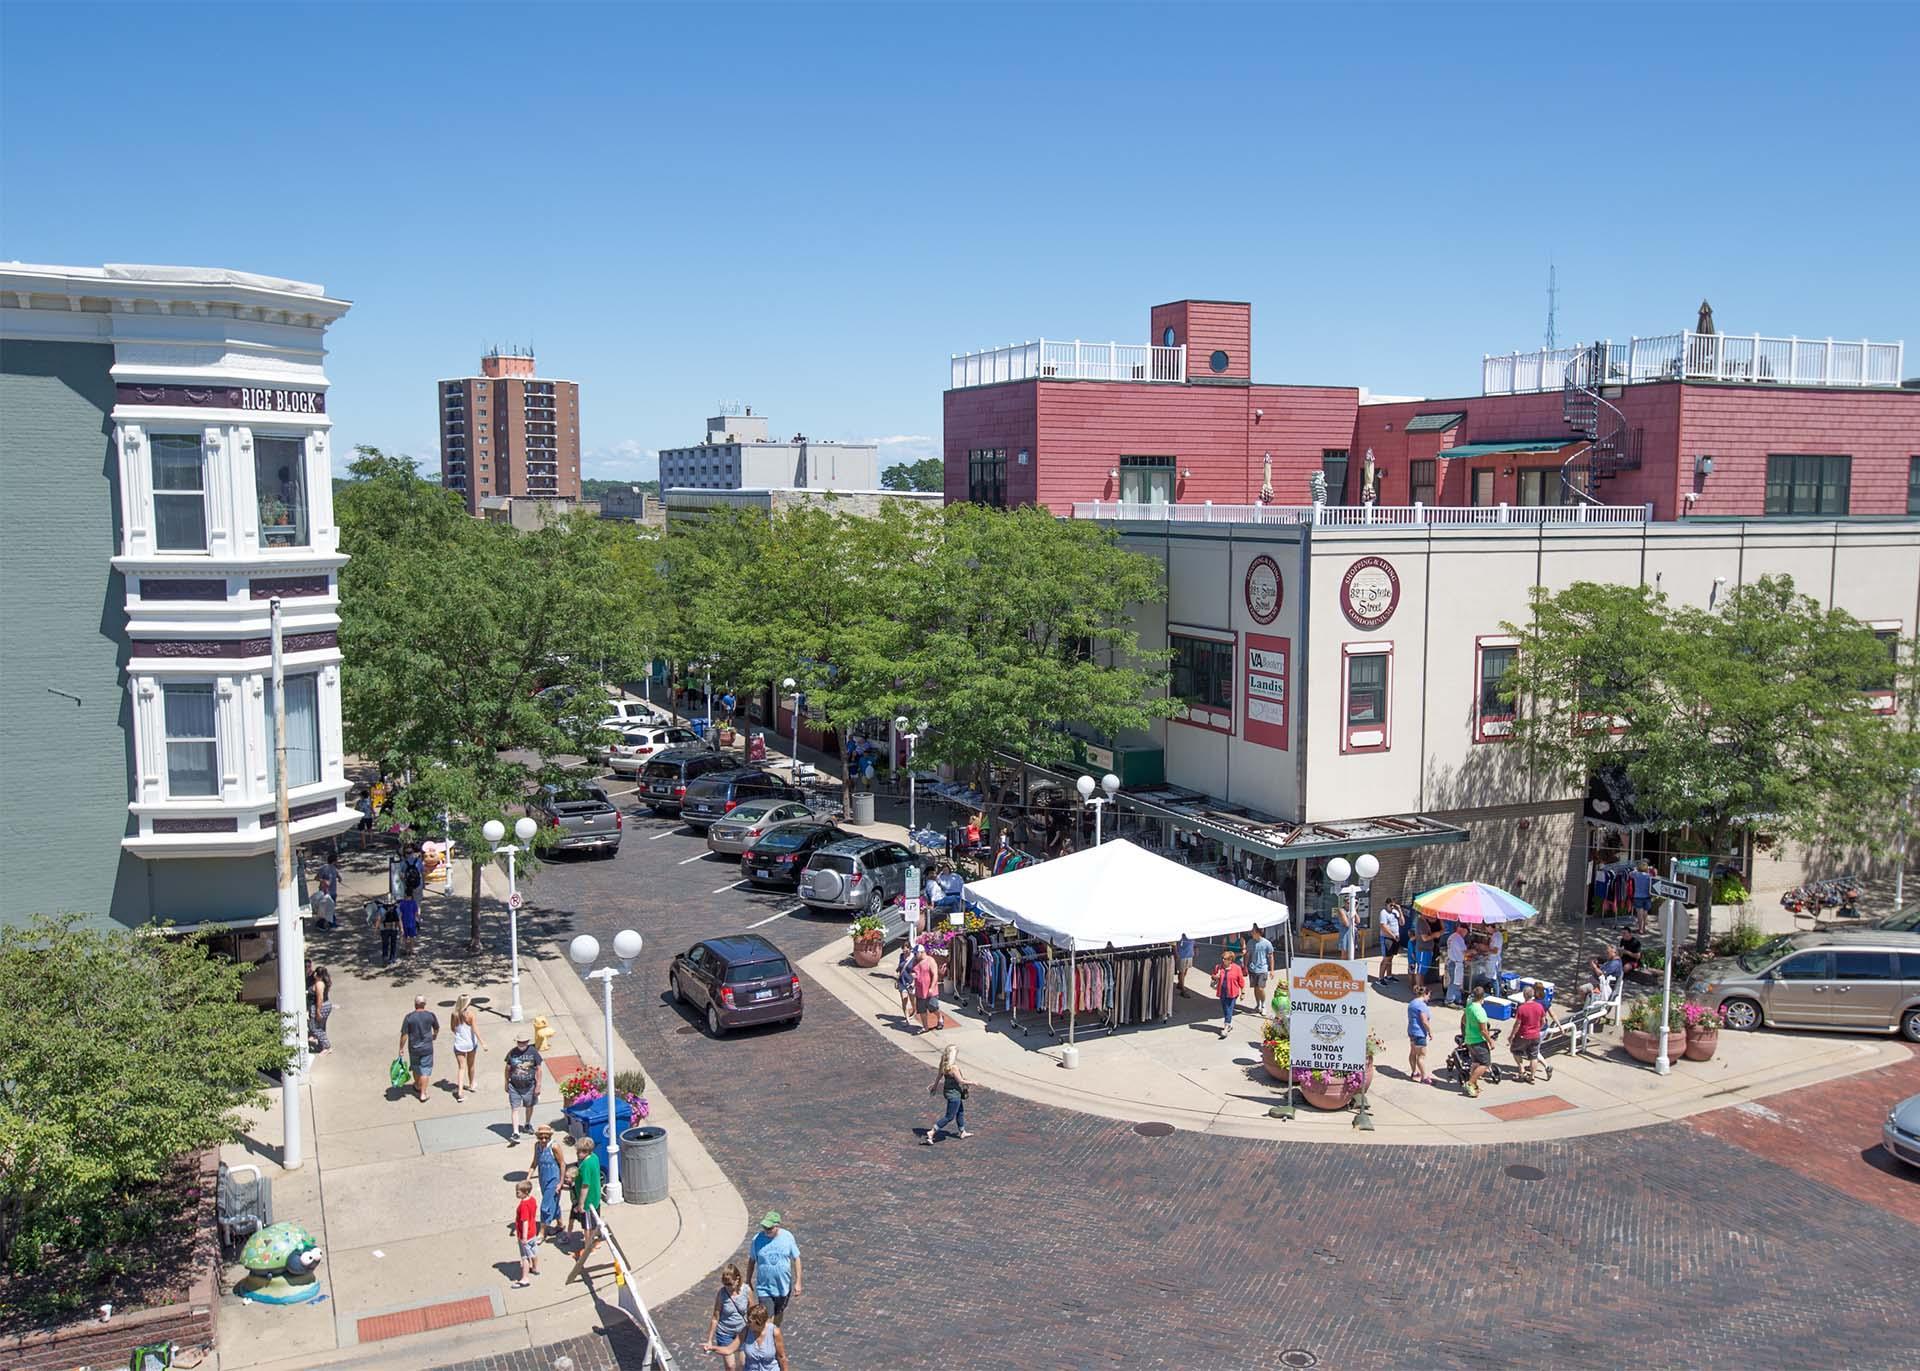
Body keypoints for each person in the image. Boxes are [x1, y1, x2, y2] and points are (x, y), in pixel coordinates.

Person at [746, 1213, 802, 1326]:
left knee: (778, 1315)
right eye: (765, 1227)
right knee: (767, 1319)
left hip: (783, 1287)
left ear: (778, 1226)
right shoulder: (757, 1239)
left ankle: (775, 1333)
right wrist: (748, 1280)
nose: (766, 1230)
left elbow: (796, 1259)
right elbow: (752, 1260)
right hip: (764, 1287)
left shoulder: (787, 1237)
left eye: (770, 1228)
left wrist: (798, 1282)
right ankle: (768, 1340)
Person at [709, 1302, 789, 1371]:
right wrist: (712, 1348)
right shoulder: (746, 1330)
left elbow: (782, 1357)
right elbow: (729, 1350)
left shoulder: (774, 1332)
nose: (748, 1324)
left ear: (760, 1323)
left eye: (751, 1323)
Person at [701, 1264, 752, 1369]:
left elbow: (752, 1312)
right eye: (725, 1284)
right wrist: (709, 1340)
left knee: (743, 1364)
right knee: (730, 1366)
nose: (727, 1287)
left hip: (742, 1332)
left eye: (729, 1284)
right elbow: (715, 1317)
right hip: (725, 1333)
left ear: (737, 1279)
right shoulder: (722, 1293)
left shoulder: (746, 1290)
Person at [922, 1044, 973, 1144]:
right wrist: (972, 1082)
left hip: (949, 1092)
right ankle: (932, 1132)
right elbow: (961, 1081)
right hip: (954, 1094)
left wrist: (935, 1087)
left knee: (960, 1111)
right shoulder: (953, 1068)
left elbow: (938, 1077)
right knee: (949, 1117)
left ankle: (962, 1131)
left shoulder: (944, 1065)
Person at [1509, 983, 1556, 1084]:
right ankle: (1532, 1077)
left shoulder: (1522, 1008)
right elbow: (1543, 1021)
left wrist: (1512, 1035)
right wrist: (1537, 1029)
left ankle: (1521, 1070)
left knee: (1515, 1051)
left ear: (1524, 995)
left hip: (1523, 1034)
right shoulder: (1539, 1007)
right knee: (1534, 1056)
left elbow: (1517, 1024)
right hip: (1535, 1035)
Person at [504, 1031, 543, 1140]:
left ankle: (527, 1123)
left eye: (524, 1042)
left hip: (530, 1086)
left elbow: (539, 1069)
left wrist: (538, 1085)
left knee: (529, 1106)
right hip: (514, 1086)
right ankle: (516, 1133)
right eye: (519, 1042)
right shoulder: (512, 1052)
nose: (521, 1044)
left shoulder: (533, 1052)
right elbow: (507, 1069)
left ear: (527, 1042)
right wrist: (506, 1083)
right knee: (514, 1108)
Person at [399, 995, 438, 1102]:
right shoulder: (430, 1016)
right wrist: (435, 1035)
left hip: (414, 1048)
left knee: (416, 1067)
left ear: (415, 1004)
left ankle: (417, 1085)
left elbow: (404, 1034)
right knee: (425, 1070)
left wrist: (401, 1048)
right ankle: (423, 1094)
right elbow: (436, 1028)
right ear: (424, 1004)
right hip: (427, 1048)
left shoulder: (409, 1017)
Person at [571, 1136, 604, 1263]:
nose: (579, 1154)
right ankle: (596, 1242)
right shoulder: (595, 1158)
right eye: (578, 1151)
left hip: (588, 1200)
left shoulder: (585, 1165)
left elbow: (585, 1185)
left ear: (588, 1151)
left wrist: (581, 1203)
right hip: (595, 1197)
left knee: (587, 1226)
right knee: (595, 1222)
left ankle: (588, 1248)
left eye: (582, 1152)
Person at [449, 993, 484, 1102]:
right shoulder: (470, 1015)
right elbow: (475, 1029)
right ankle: (472, 1084)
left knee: (461, 1068)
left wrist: (459, 1034)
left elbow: (452, 1028)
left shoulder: (454, 1015)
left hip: (459, 1044)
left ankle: (460, 1092)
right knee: (471, 1065)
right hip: (471, 1043)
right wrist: (482, 1042)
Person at [1461, 983, 1492, 1098]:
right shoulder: (1480, 1011)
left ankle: (1474, 1084)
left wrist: (1470, 1028)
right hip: (1478, 1040)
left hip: (1469, 1039)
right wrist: (1490, 1041)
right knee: (1485, 1064)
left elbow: (1463, 1020)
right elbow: (1484, 1030)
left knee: (1475, 1063)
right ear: (1482, 997)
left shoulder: (1469, 1007)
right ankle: (1470, 1083)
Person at [534, 1125, 564, 1239]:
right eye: (541, 1138)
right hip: (543, 1178)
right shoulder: (537, 1146)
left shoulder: (554, 1147)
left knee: (545, 1206)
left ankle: (542, 1232)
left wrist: (560, 1182)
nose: (543, 1140)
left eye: (546, 1137)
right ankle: (560, 1224)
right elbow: (534, 1162)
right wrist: (527, 1177)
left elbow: (562, 1164)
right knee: (554, 1202)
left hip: (553, 1179)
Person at [1210, 950, 1246, 1038]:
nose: (1223, 960)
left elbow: (1241, 981)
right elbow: (1213, 976)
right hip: (1222, 992)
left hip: (1233, 993)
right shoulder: (1218, 967)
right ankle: (1228, 1024)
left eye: (1225, 959)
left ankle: (1226, 1027)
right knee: (1225, 1009)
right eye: (1222, 958)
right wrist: (1215, 976)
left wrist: (1243, 992)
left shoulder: (1237, 968)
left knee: (1229, 1009)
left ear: (1230, 960)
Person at [511, 1179, 540, 1287]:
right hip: (533, 1232)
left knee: (525, 1257)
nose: (516, 1194)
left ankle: (525, 1278)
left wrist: (523, 1237)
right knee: (534, 1251)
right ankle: (535, 1268)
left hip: (525, 1235)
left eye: (518, 1192)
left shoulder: (523, 1206)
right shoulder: (532, 1200)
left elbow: (524, 1221)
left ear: (525, 1192)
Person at [1406, 985, 1434, 1084]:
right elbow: (1424, 1021)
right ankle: (1424, 1077)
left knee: (1413, 1052)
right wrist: (1430, 1031)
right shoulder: (1422, 1006)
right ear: (1425, 994)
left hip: (1411, 1031)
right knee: (1421, 1056)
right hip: (1420, 1033)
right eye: (1429, 995)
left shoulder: (1412, 1003)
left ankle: (1414, 1072)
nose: (1429, 997)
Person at [1246, 926, 1275, 1017]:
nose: (1251, 933)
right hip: (1252, 969)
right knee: (1255, 988)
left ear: (1258, 933)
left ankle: (1263, 1005)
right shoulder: (1250, 942)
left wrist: (1272, 970)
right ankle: (1258, 1004)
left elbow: (1271, 957)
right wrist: (1245, 967)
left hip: (1263, 969)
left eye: (1253, 931)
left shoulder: (1267, 943)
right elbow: (1248, 955)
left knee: (1261, 988)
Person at [911, 943, 941, 1034]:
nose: (915, 955)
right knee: (922, 1010)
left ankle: (940, 1018)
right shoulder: (915, 961)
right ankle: (925, 1027)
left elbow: (935, 975)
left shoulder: (930, 960)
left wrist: (931, 988)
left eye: (916, 953)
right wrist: (913, 979)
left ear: (921, 952)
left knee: (933, 1007)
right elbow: (913, 972)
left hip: (930, 990)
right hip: (920, 990)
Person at [1377, 901, 1403, 984]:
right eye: (1390, 905)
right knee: (1386, 958)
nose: (1392, 907)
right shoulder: (1383, 913)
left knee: (1391, 957)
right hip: (1387, 938)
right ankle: (1380, 978)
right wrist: (1393, 936)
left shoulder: (1395, 912)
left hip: (1395, 938)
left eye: (1393, 905)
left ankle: (1389, 975)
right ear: (1386, 904)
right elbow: (1383, 926)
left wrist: (1399, 910)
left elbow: (1402, 923)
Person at [309, 964, 333, 1053]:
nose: (314, 973)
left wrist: (318, 1011)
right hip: (325, 1005)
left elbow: (320, 998)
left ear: (318, 974)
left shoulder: (319, 984)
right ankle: (321, 1046)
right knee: (321, 1027)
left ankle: (327, 1046)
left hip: (320, 1006)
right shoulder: (322, 982)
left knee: (314, 1028)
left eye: (315, 972)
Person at [314, 852, 341, 929]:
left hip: (333, 892)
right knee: (325, 909)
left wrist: (339, 878)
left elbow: (337, 875)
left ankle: (332, 923)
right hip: (325, 892)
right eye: (337, 860)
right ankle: (320, 924)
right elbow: (316, 878)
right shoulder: (324, 868)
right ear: (334, 861)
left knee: (331, 908)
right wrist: (323, 880)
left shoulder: (334, 868)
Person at [1445, 925, 1468, 1007]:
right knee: (1454, 983)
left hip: (1453, 961)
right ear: (1462, 929)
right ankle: (1449, 1000)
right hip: (1455, 963)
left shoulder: (1452, 936)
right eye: (1466, 931)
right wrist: (1473, 951)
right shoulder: (1458, 938)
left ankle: (1458, 999)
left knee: (1457, 982)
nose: (1465, 934)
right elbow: (1465, 952)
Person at [895, 943, 917, 1020]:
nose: (905, 952)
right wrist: (897, 973)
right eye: (903, 950)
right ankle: (907, 1018)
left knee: (912, 1000)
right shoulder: (901, 956)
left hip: (910, 982)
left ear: (909, 949)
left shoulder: (914, 957)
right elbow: (900, 967)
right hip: (902, 981)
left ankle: (914, 1010)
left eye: (906, 950)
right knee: (904, 999)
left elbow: (916, 970)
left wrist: (914, 981)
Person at [378, 898, 402, 967]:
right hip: (394, 928)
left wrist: (376, 929)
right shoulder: (396, 909)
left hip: (384, 929)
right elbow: (399, 919)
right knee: (393, 944)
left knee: (385, 944)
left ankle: (385, 958)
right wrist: (401, 929)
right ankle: (392, 959)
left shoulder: (382, 909)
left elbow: (379, 919)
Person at [397, 891, 420, 955]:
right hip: (412, 923)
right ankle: (411, 950)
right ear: (411, 896)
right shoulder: (414, 903)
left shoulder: (402, 903)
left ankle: (406, 950)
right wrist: (418, 920)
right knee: (412, 937)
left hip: (404, 923)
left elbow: (400, 915)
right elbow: (416, 914)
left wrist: (400, 925)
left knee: (405, 937)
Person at [1175, 933, 1195, 999]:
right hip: (1182, 955)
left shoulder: (1192, 933)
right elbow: (1174, 943)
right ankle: (1183, 990)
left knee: (1185, 971)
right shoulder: (1181, 934)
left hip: (1189, 954)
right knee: (1182, 972)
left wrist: (1195, 948)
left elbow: (1194, 942)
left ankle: (1180, 984)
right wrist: (1176, 953)